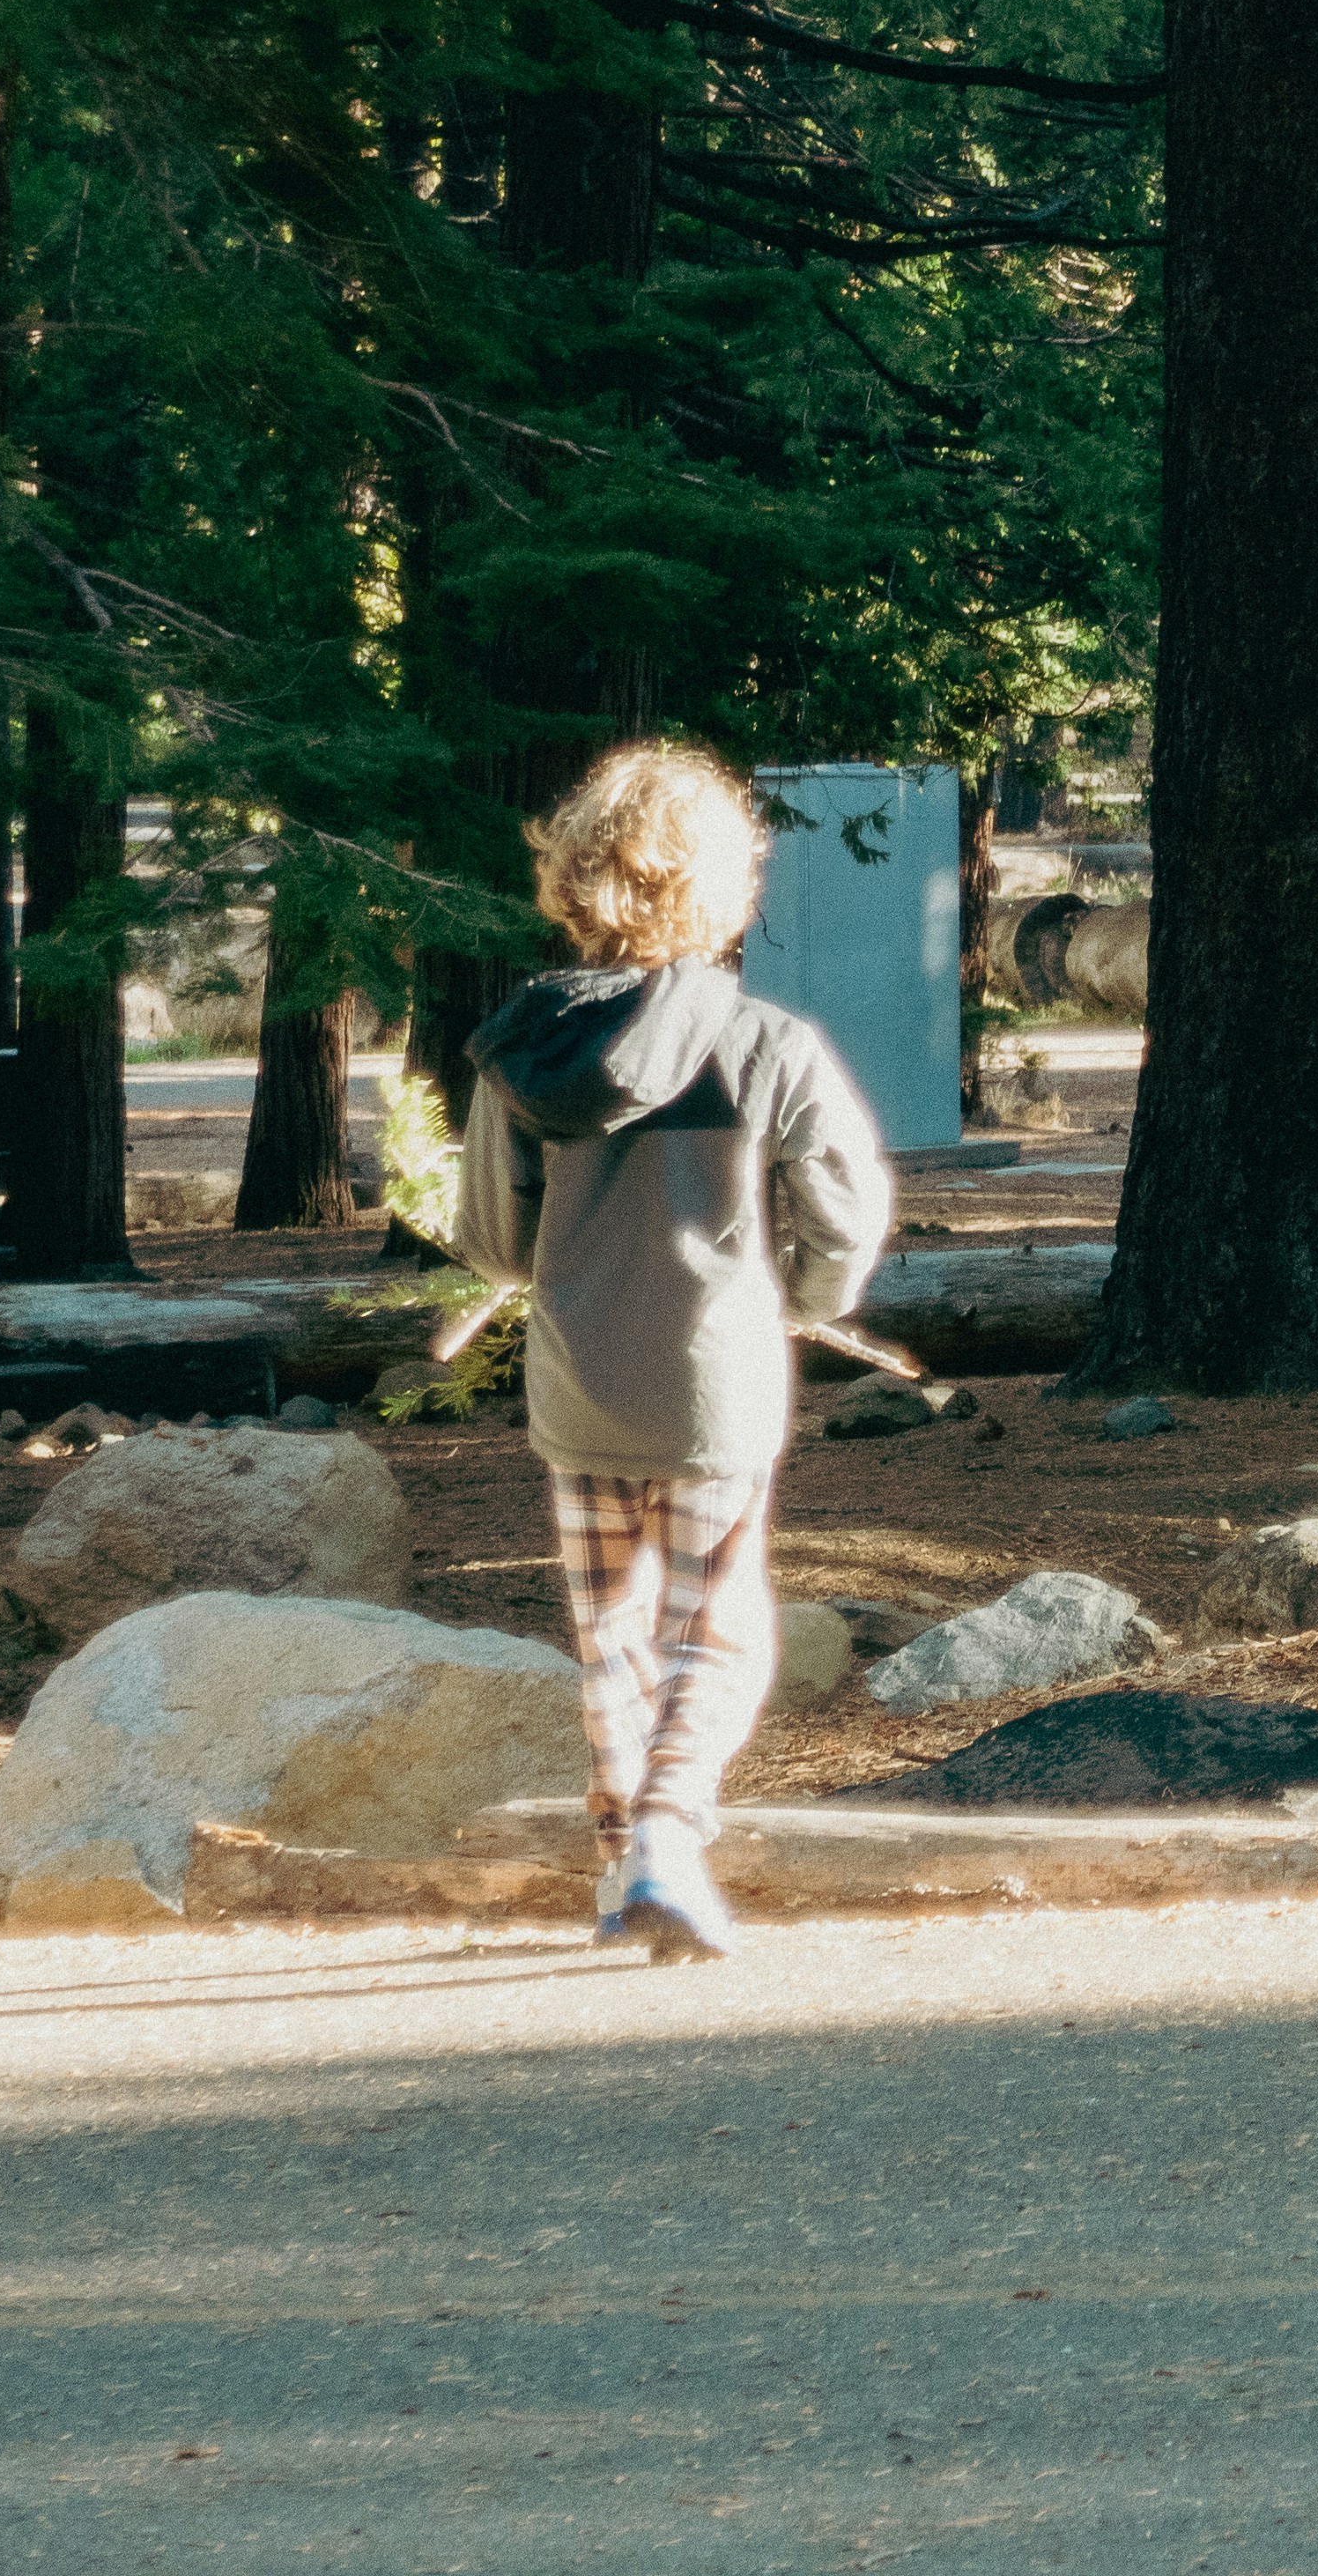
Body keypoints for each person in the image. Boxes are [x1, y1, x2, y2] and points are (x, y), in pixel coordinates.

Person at [455, 742, 890, 1958]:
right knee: (720, 1631)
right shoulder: (768, 1043)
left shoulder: (521, 1054)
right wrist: (804, 1295)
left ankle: (618, 1872)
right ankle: (669, 1836)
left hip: (578, 1390)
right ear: (724, 884)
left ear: (577, 876)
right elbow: (846, 1213)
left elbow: (494, 1243)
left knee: (614, 1640)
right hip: (719, 1390)